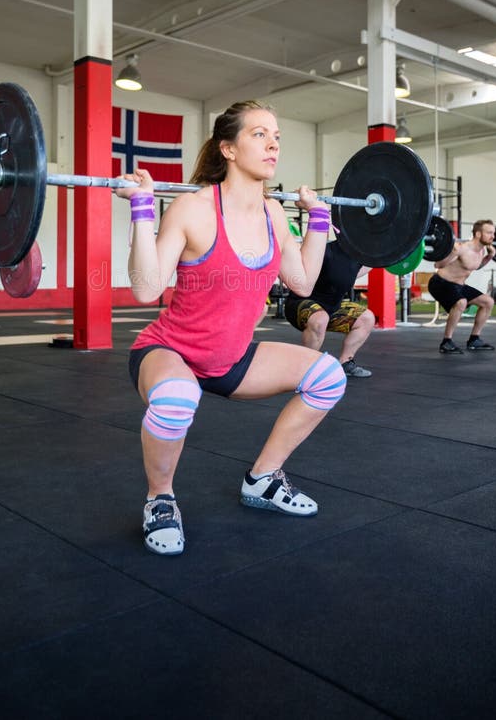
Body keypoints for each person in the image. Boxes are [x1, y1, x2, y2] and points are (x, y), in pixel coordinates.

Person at [115, 100, 347, 556]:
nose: (273, 142)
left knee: (328, 377)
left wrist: (317, 218)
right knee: (179, 396)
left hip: (231, 358)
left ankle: (262, 479)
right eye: (259, 134)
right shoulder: (192, 209)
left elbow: (300, 280)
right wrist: (142, 208)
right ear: (229, 148)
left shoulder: (274, 215)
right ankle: (159, 499)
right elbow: (146, 289)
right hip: (170, 352)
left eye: (276, 135)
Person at [284, 238, 375, 378]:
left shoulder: (360, 257)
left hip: (331, 308)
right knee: (320, 319)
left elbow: (356, 271)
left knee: (367, 319)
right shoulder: (324, 251)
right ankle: (305, 368)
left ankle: (345, 363)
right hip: (300, 304)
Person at [428, 218, 496, 354]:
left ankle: (474, 340)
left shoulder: (482, 251)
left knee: (488, 302)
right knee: (461, 302)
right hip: (440, 283)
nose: (493, 236)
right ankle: (446, 342)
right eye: (489, 233)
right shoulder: (462, 248)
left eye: (493, 233)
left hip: (458, 285)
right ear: (478, 234)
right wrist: (453, 253)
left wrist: (489, 256)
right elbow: (438, 265)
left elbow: (475, 267)